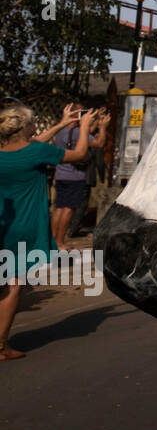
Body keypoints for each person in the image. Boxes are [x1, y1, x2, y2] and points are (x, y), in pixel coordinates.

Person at [0, 103, 103, 360]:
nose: (36, 128)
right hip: (23, 227)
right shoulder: (36, 151)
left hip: (3, 222)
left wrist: (59, 124)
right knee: (14, 283)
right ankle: (0, 345)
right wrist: (83, 126)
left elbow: (33, 144)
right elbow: (80, 154)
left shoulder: (11, 151)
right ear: (24, 128)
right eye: (33, 124)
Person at [49, 102, 107, 249]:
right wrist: (103, 127)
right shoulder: (77, 133)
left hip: (61, 174)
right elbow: (99, 143)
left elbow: (86, 134)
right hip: (75, 177)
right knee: (69, 210)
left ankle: (53, 240)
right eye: (81, 113)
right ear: (75, 115)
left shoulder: (60, 131)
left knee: (59, 209)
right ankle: (60, 242)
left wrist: (92, 122)